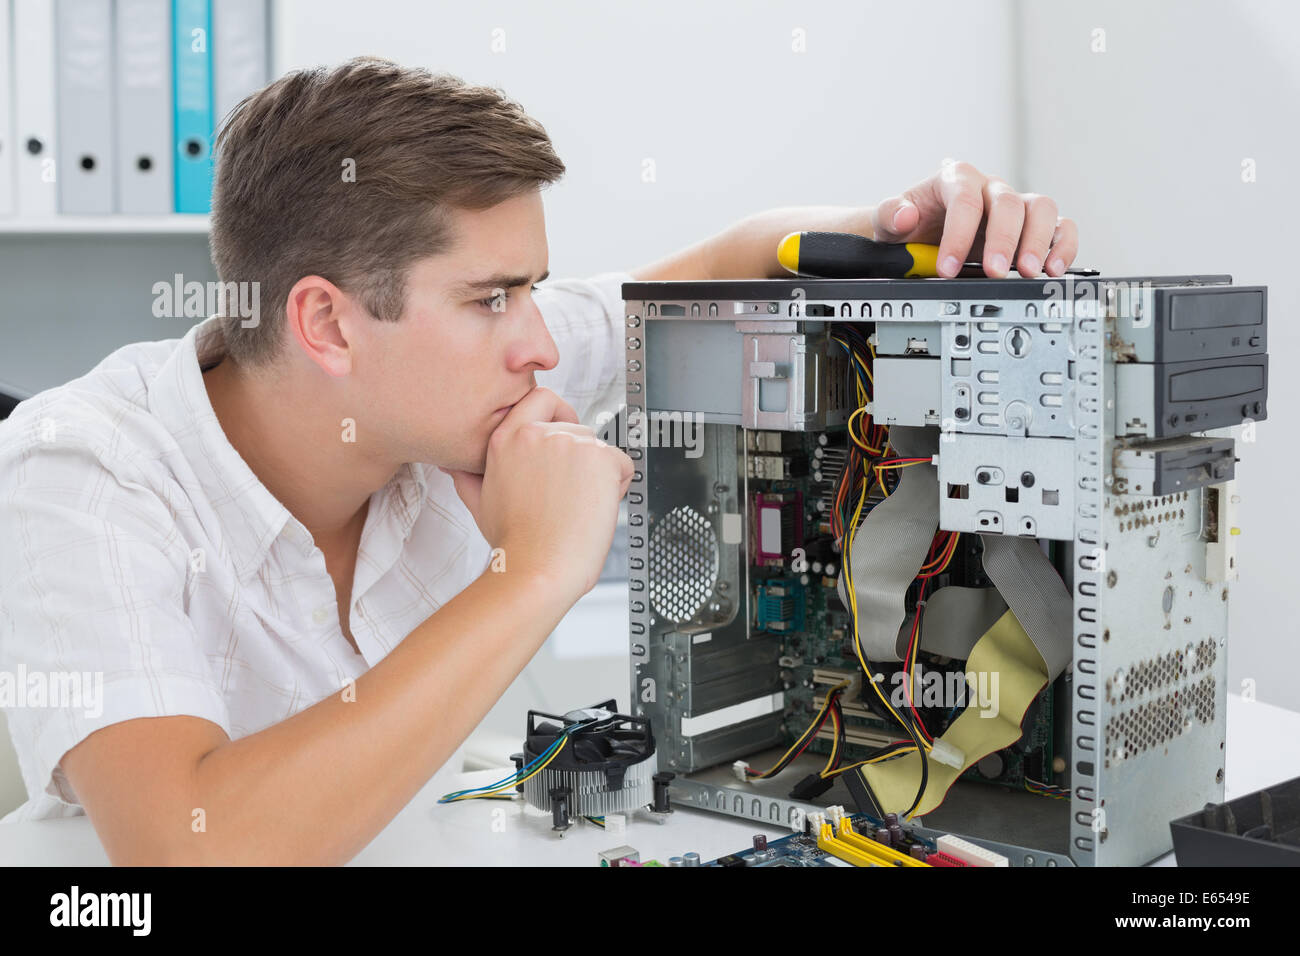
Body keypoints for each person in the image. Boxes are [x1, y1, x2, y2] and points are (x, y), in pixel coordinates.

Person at [0, 57, 1078, 864]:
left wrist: (906, 222)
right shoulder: (85, 471)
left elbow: (726, 260)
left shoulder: (451, 379)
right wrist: (533, 572)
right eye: (492, 298)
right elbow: (191, 846)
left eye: (531, 287)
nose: (544, 342)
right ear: (327, 325)